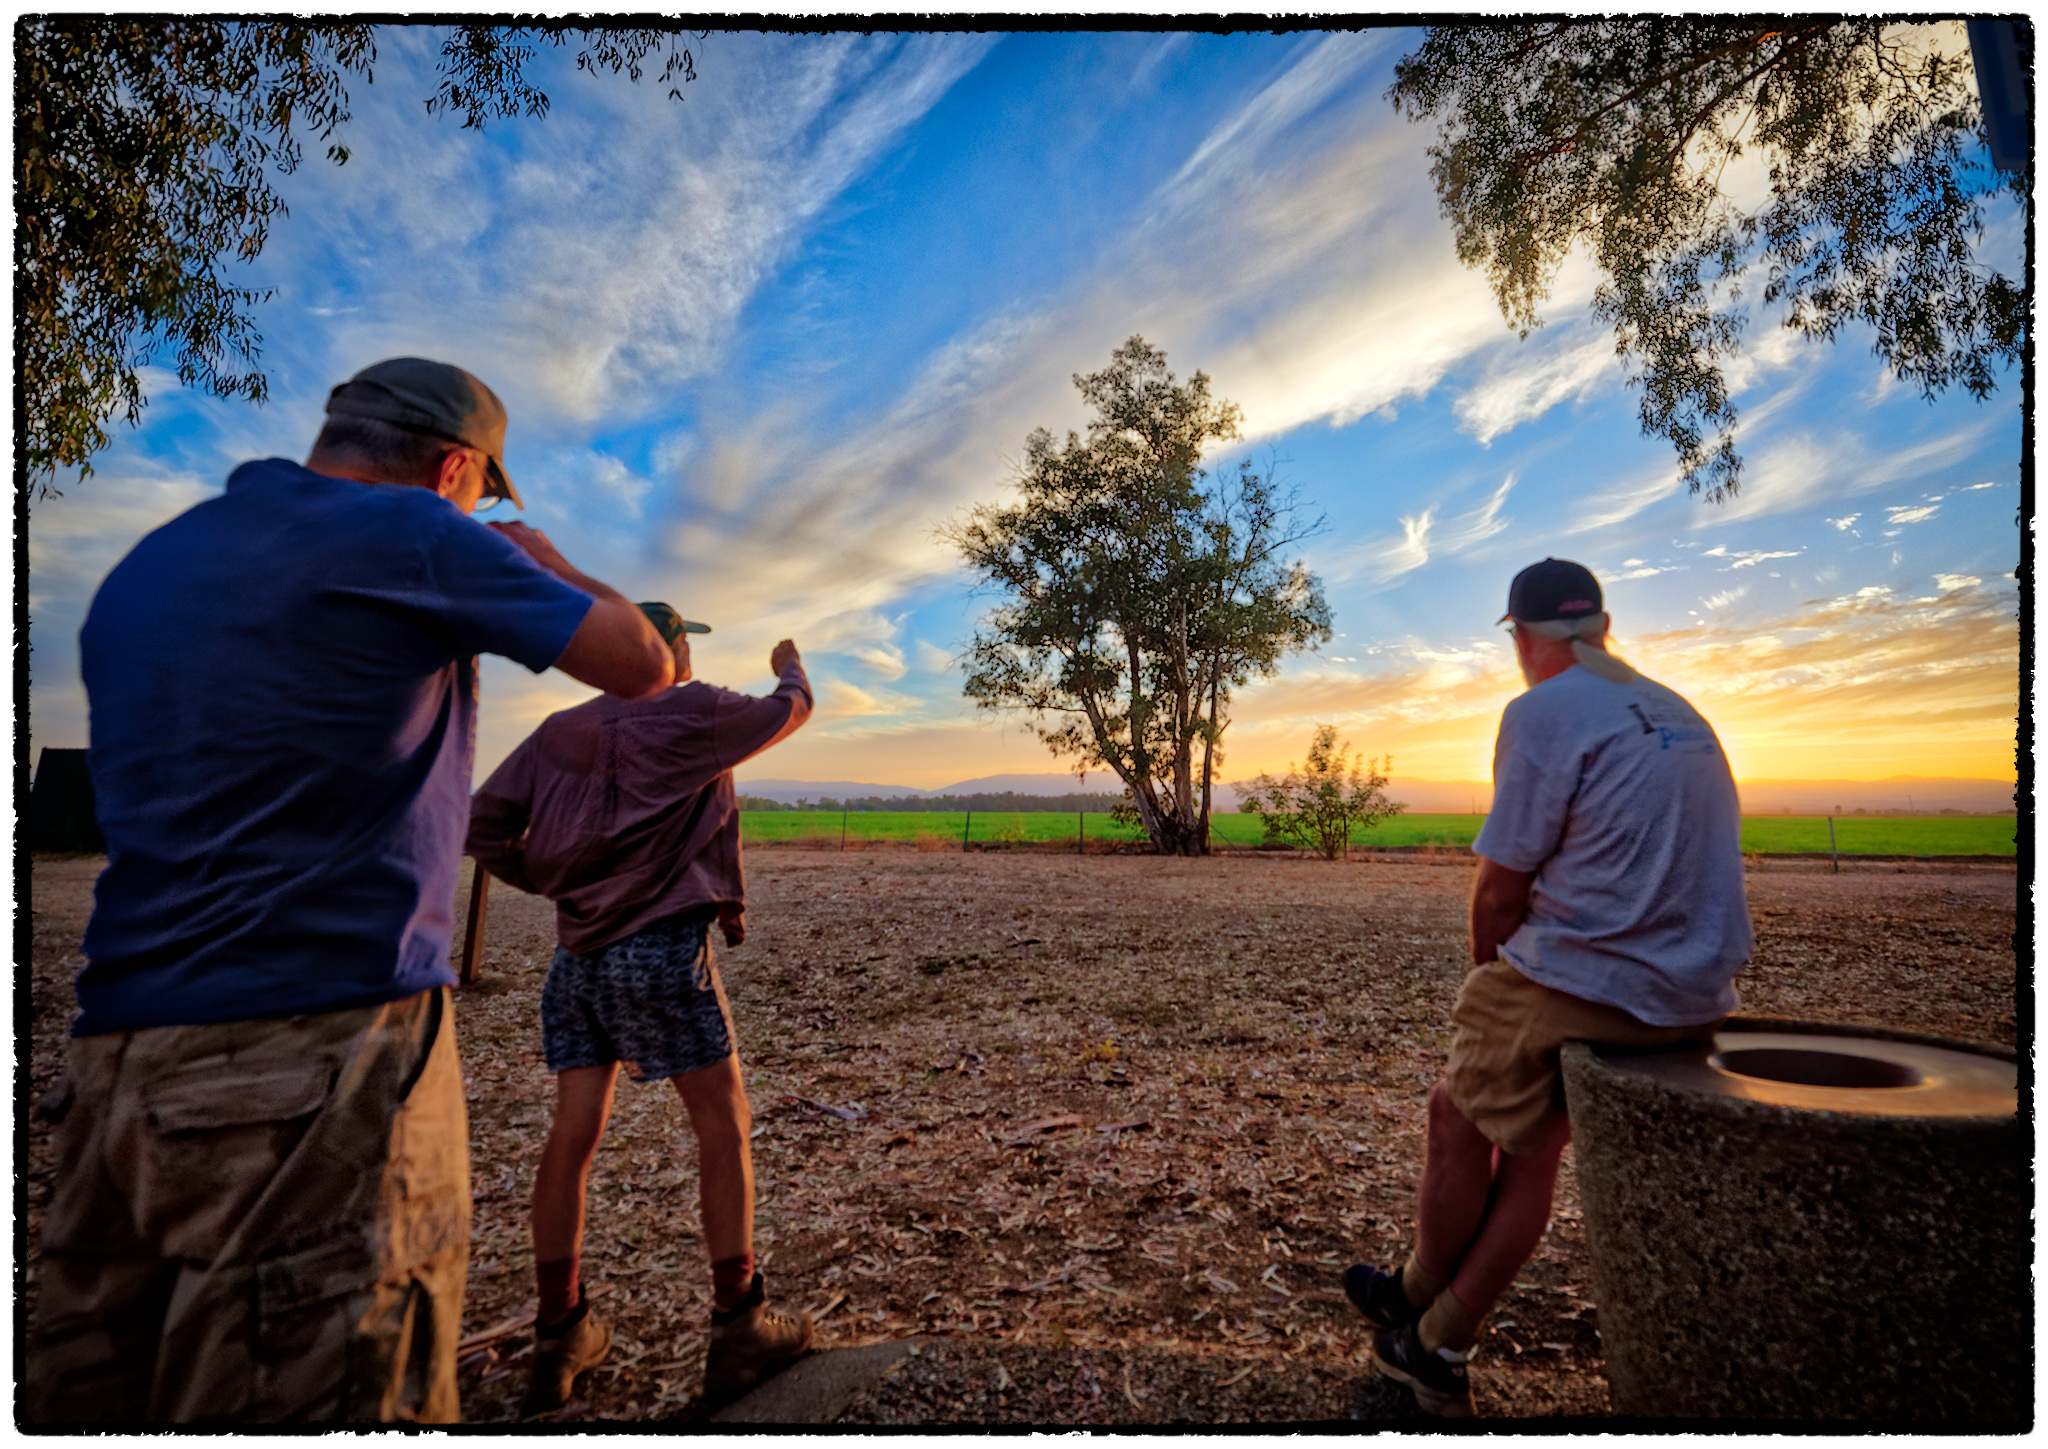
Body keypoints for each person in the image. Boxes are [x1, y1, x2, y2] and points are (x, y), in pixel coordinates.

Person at [29, 358, 674, 1424]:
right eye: (479, 493)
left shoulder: (155, 560)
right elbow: (642, 662)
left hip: (112, 1066)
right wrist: (546, 558)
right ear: (457, 468)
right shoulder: (419, 534)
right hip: (315, 1053)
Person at [1343, 558, 1753, 1417]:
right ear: (1603, 627)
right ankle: (1427, 1315)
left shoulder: (1542, 712)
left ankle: (1428, 1327)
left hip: (1589, 977)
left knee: (1456, 1113)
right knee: (1532, 1146)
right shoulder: (1684, 714)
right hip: (1693, 997)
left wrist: (1494, 976)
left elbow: (1499, 888)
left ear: (1524, 637)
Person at [464, 608, 816, 1415]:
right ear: (675, 652)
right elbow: (786, 711)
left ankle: (559, 1334)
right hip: (659, 949)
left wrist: (556, 881)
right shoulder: (696, 709)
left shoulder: (558, 731)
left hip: (576, 959)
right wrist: (790, 663)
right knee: (722, 1124)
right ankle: (738, 1322)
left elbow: (483, 824)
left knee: (573, 1133)